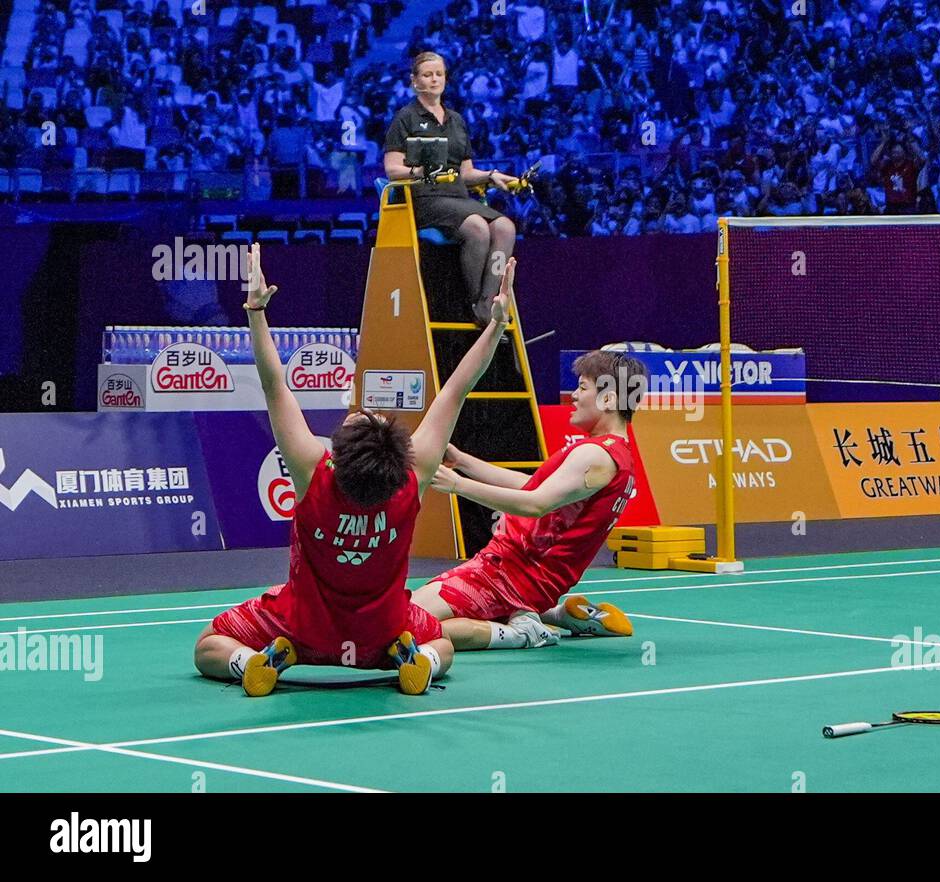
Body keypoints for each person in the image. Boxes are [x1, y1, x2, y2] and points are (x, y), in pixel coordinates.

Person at [194, 245, 517, 696]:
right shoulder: (412, 478)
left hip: (298, 626)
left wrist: (255, 311)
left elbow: (274, 386)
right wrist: (497, 324)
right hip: (383, 632)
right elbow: (456, 390)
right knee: (441, 645)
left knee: (209, 647)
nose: (360, 410)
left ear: (339, 450)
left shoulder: (314, 474)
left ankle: (255, 662)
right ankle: (415, 661)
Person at [410, 351, 650, 651]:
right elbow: (531, 486)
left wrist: (458, 485)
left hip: (510, 576)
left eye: (583, 387)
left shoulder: (596, 456)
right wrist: (462, 461)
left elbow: (535, 503)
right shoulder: (617, 454)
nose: (574, 396)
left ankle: (522, 633)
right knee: (410, 614)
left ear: (609, 400)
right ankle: (553, 614)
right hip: (518, 574)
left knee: (407, 623)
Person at [383, 52, 521, 326]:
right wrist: (421, 171)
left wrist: (492, 176)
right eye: (427, 75)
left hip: (458, 197)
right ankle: (471, 303)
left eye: (439, 74)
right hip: (424, 198)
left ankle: (488, 300)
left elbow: (466, 172)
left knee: (505, 227)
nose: (434, 80)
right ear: (415, 81)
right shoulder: (406, 118)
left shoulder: (456, 120)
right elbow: (392, 169)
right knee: (478, 228)